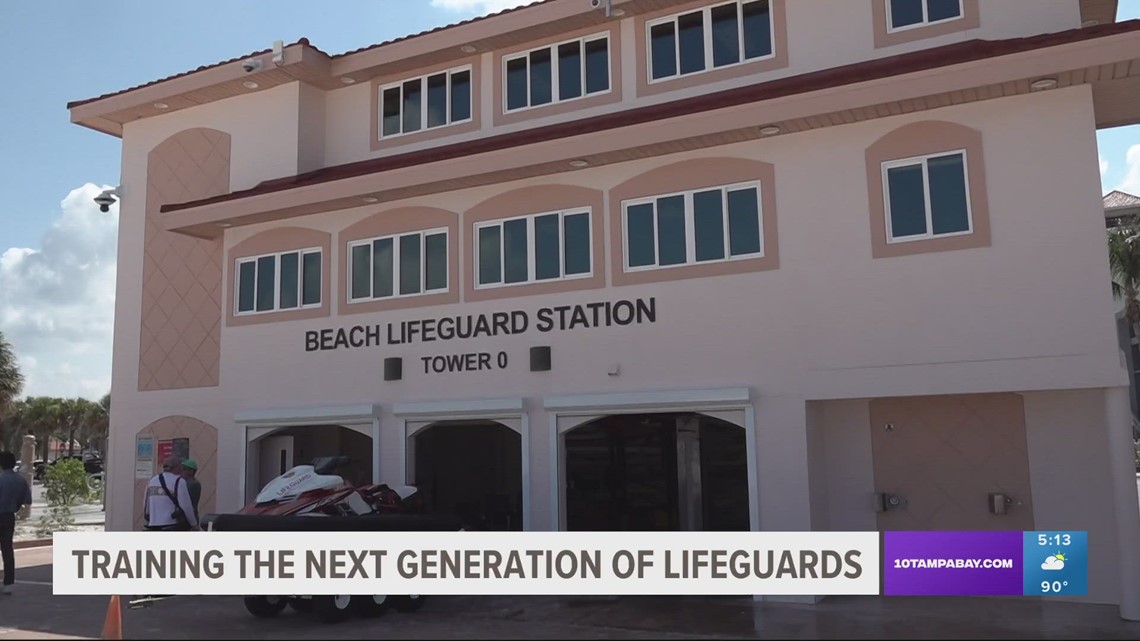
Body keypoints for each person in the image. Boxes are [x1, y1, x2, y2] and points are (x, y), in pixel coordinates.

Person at [0, 450, 32, 595]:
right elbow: (27, 500)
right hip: (9, 516)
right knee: (7, 549)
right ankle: (8, 583)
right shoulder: (20, 480)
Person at [143, 456, 198, 531]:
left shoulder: (151, 481)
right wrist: (194, 524)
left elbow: (146, 504)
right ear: (176, 467)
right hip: (171, 524)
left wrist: (150, 517)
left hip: (153, 525)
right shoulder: (179, 481)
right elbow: (186, 506)